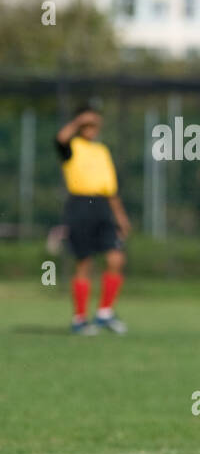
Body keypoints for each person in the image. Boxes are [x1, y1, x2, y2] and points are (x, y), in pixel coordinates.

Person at [54, 105, 130, 335]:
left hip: (103, 206)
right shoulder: (72, 147)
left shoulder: (102, 151)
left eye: (95, 124)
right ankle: (80, 319)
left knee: (116, 259)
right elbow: (60, 138)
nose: (91, 129)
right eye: (87, 124)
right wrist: (78, 121)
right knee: (84, 262)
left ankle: (104, 313)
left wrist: (121, 216)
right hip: (80, 205)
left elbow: (111, 188)